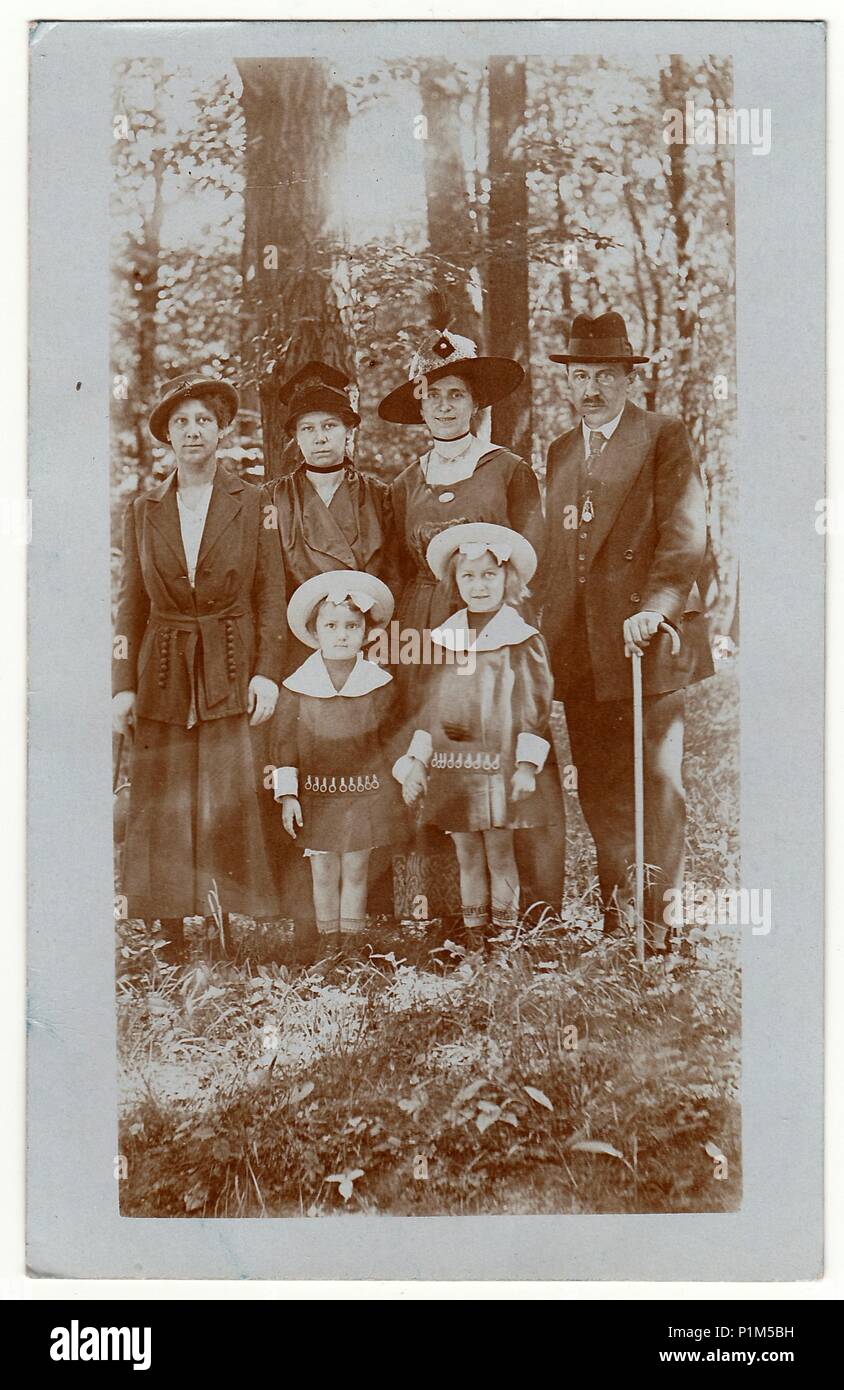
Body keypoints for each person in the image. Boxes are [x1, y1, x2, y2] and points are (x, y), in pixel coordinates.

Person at [379, 304, 561, 921]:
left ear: (475, 402)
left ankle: (530, 917)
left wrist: (513, 633)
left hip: (497, 631)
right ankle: (449, 917)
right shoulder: (406, 481)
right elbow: (400, 568)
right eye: (434, 395)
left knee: (506, 762)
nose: (445, 407)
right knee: (439, 758)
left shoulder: (509, 469)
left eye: (457, 395)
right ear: (422, 403)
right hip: (427, 635)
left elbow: (537, 557)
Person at [539, 311, 714, 953]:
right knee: (602, 783)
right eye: (581, 375)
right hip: (585, 648)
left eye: (605, 376)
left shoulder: (665, 435)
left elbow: (685, 532)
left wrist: (659, 607)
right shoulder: (561, 449)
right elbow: (556, 554)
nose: (591, 388)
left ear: (626, 379)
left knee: (656, 785)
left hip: (650, 640)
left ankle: (661, 924)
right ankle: (619, 922)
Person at [112, 369, 286, 962]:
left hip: (230, 659)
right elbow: (130, 602)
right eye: (181, 423)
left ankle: (222, 921)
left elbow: (270, 592)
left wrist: (266, 671)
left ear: (221, 432)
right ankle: (168, 930)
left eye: (204, 422)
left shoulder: (252, 501)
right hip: (161, 665)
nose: (193, 432)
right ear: (168, 437)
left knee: (225, 790)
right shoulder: (144, 508)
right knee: (162, 793)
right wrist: (120, 688)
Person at [260, 361, 401, 941]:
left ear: (350, 433)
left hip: (362, 646)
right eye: (308, 428)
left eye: (331, 427)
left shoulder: (380, 495)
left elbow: (391, 571)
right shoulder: (273, 499)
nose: (320, 437)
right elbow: (268, 585)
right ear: (294, 438)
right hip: (303, 652)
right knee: (307, 784)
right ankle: (308, 928)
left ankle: (370, 923)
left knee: (365, 778)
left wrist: (381, 642)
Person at [393, 523, 563, 945]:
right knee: (467, 853)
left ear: (508, 579)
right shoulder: (445, 638)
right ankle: (473, 939)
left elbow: (534, 706)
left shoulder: (521, 638)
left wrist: (526, 766)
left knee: (500, 851)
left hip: (500, 763)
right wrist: (417, 759)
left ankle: (504, 940)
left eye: (489, 575)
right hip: (455, 765)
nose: (479, 585)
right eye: (468, 576)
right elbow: (429, 707)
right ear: (455, 582)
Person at [270, 571, 404, 951]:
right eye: (331, 626)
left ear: (365, 632)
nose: (342, 634)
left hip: (364, 795)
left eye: (351, 625)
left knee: (357, 869)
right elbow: (283, 745)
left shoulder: (378, 683)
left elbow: (390, 740)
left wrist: (399, 781)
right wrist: (288, 796)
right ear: (315, 632)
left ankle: (352, 946)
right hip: (318, 797)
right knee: (324, 870)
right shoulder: (298, 686)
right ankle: (328, 945)